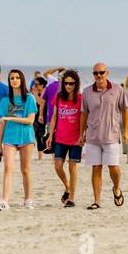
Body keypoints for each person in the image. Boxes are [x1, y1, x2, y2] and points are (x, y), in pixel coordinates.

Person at [79, 62, 128, 208]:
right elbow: (84, 113)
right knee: (96, 167)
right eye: (96, 73)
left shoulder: (117, 89)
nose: (99, 75)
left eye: (101, 72)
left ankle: (117, 187)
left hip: (111, 135)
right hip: (93, 136)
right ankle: (97, 201)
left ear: (107, 73)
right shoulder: (87, 92)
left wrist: (125, 130)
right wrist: (81, 134)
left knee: (113, 167)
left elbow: (125, 109)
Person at [0, 69, 38, 209]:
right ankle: (4, 201)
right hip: (9, 138)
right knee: (8, 168)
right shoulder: (5, 100)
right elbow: (2, 124)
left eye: (17, 77)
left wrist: (9, 117)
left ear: (21, 80)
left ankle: (28, 199)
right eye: (12, 78)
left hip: (26, 137)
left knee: (25, 169)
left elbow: (30, 120)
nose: (14, 80)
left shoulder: (29, 98)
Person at [46, 70, 84, 206]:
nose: (68, 86)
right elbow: (54, 117)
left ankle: (71, 198)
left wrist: (82, 135)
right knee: (57, 166)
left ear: (76, 84)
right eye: (66, 83)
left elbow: (84, 118)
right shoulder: (59, 97)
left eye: (71, 83)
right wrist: (50, 135)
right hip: (60, 137)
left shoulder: (81, 98)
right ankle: (67, 187)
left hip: (75, 139)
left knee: (72, 167)